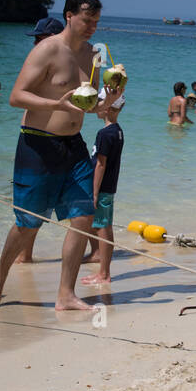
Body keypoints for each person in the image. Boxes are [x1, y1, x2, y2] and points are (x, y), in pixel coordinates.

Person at [0, 0, 122, 311]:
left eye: (97, 22)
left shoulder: (93, 55)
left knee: (84, 216)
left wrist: (111, 100)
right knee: (27, 224)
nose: (92, 27)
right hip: (37, 144)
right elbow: (16, 96)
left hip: (72, 146)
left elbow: (93, 108)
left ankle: (65, 294)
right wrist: (55, 103)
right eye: (87, 20)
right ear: (69, 16)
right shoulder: (47, 50)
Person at [80, 93, 126, 286]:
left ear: (107, 108)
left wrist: (95, 192)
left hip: (103, 187)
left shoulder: (104, 134)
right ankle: (102, 268)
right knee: (103, 225)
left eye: (100, 103)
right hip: (109, 186)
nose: (97, 106)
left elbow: (100, 164)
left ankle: (104, 274)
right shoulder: (117, 131)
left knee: (103, 226)